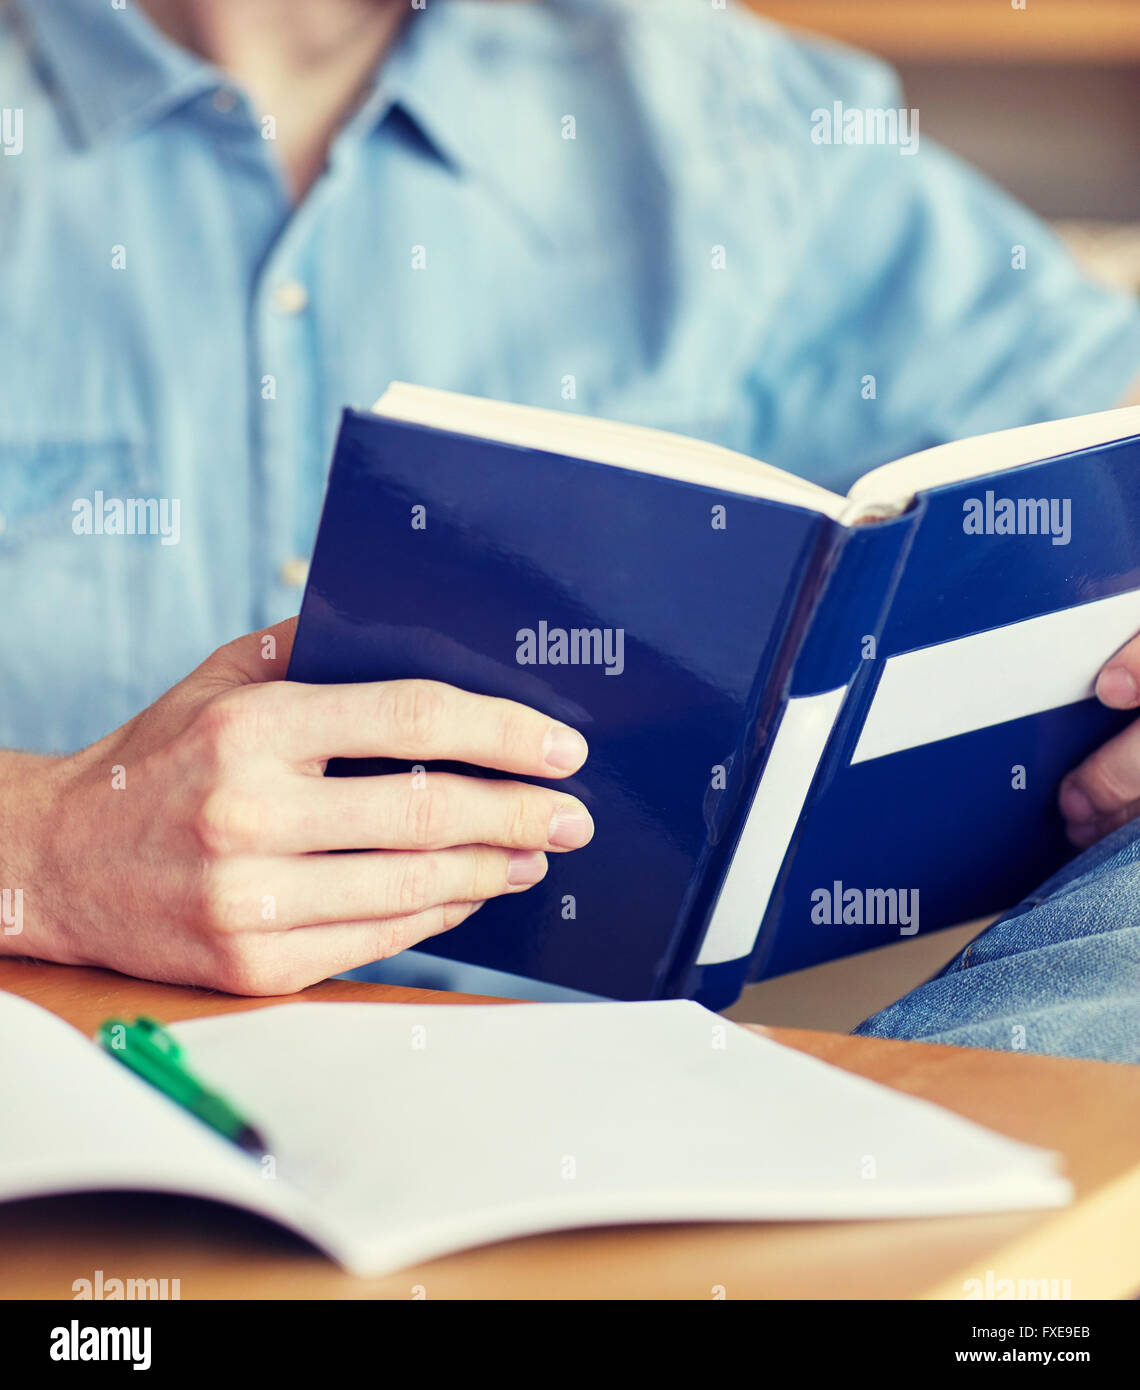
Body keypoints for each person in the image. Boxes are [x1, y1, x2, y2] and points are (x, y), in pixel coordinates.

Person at [1, 0, 1138, 1056]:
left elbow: (1107, 409)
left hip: (590, 1126)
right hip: (69, 1086)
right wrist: (48, 851)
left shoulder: (723, 115)